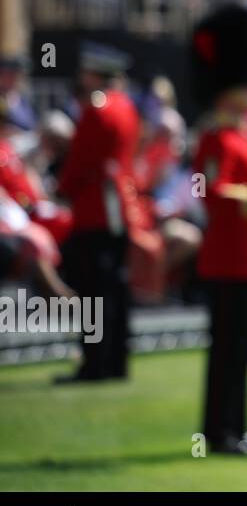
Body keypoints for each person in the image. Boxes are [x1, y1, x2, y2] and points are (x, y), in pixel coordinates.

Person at [189, 5, 247, 455]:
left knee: (244, 350)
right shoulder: (217, 139)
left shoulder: (246, 139)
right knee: (225, 350)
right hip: (227, 256)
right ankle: (216, 432)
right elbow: (208, 187)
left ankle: (238, 429)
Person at [54, 43, 142, 383]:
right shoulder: (126, 106)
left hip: (96, 206)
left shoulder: (97, 108)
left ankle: (95, 364)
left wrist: (63, 189)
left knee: (93, 291)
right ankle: (116, 362)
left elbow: (81, 161)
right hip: (119, 205)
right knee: (116, 289)